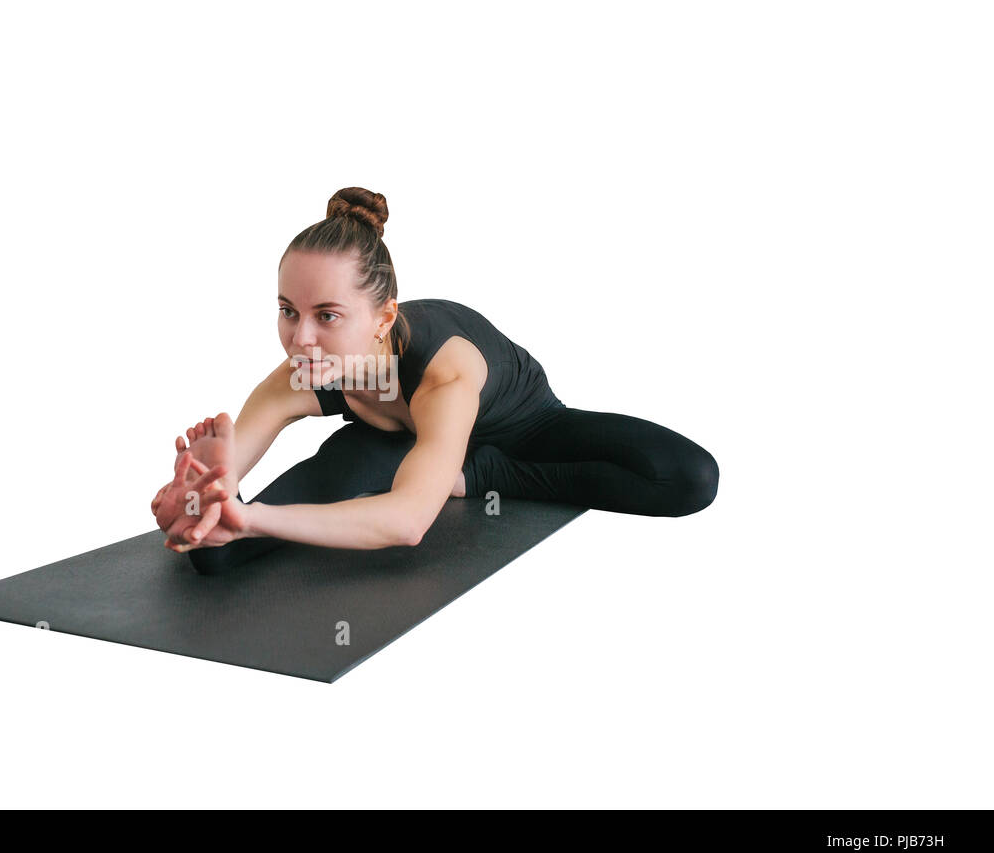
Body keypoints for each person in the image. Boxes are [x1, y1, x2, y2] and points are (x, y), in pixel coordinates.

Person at [149, 186, 719, 575]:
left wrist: (252, 519)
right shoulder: (304, 371)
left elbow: (406, 523)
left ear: (384, 319)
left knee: (689, 478)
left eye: (327, 315)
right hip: (397, 445)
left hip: (519, 428)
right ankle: (437, 471)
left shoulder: (447, 369)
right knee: (214, 558)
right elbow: (216, 512)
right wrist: (199, 503)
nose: (301, 338)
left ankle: (474, 474)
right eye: (287, 311)